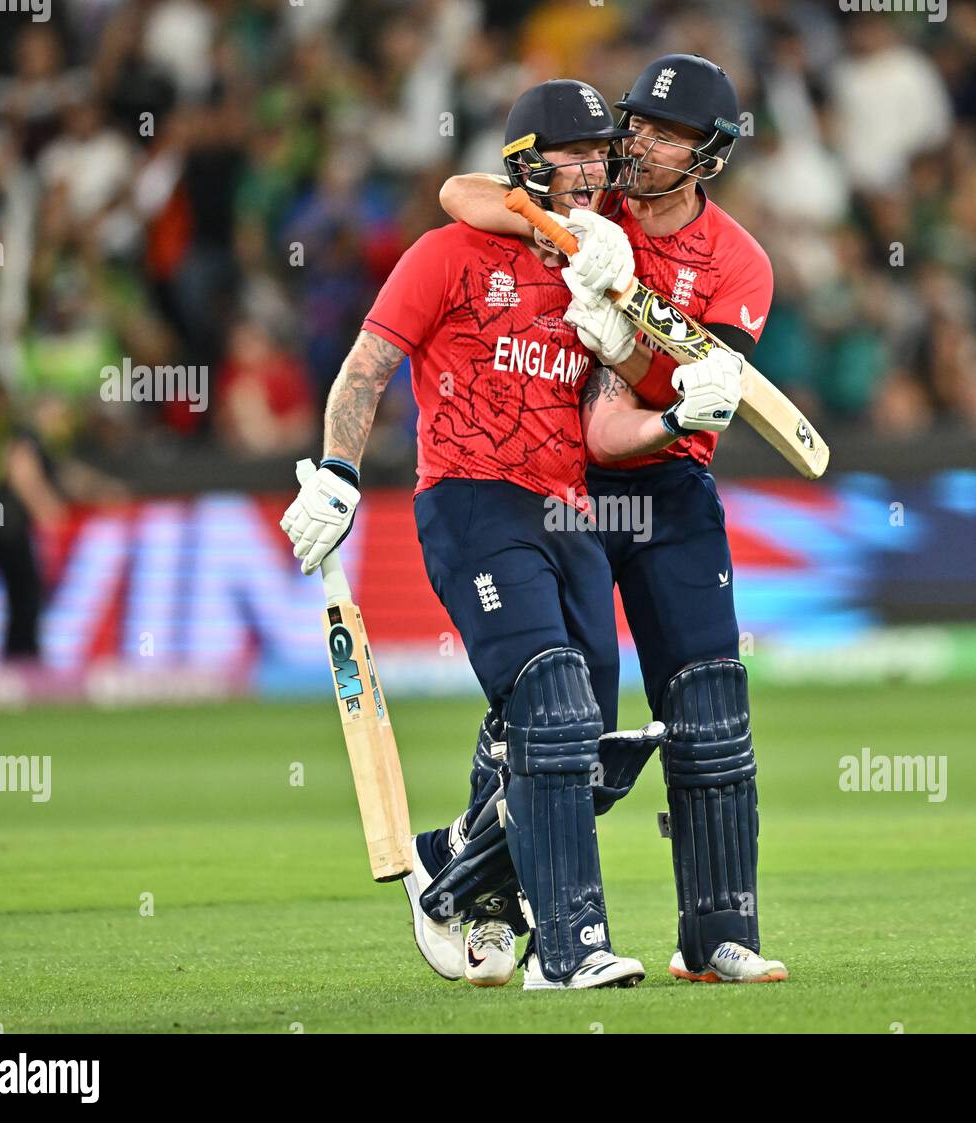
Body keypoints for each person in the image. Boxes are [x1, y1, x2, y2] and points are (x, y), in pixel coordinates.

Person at [280, 79, 736, 990]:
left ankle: (449, 867)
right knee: (553, 708)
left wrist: (674, 392)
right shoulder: (448, 252)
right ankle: (570, 951)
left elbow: (621, 404)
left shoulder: (601, 261)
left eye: (603, 152)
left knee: (595, 752)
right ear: (529, 159)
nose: (596, 167)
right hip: (472, 500)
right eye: (575, 153)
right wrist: (336, 471)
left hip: (570, 511)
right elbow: (366, 369)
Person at [418, 55, 788, 986]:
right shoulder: (596, 207)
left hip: (667, 489)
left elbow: (669, 407)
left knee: (708, 710)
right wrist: (550, 224)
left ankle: (716, 935)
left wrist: (679, 397)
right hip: (567, 482)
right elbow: (463, 189)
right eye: (635, 125)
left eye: (663, 134)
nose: (638, 145)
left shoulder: (740, 263)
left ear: (708, 155)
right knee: (561, 722)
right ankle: (477, 879)